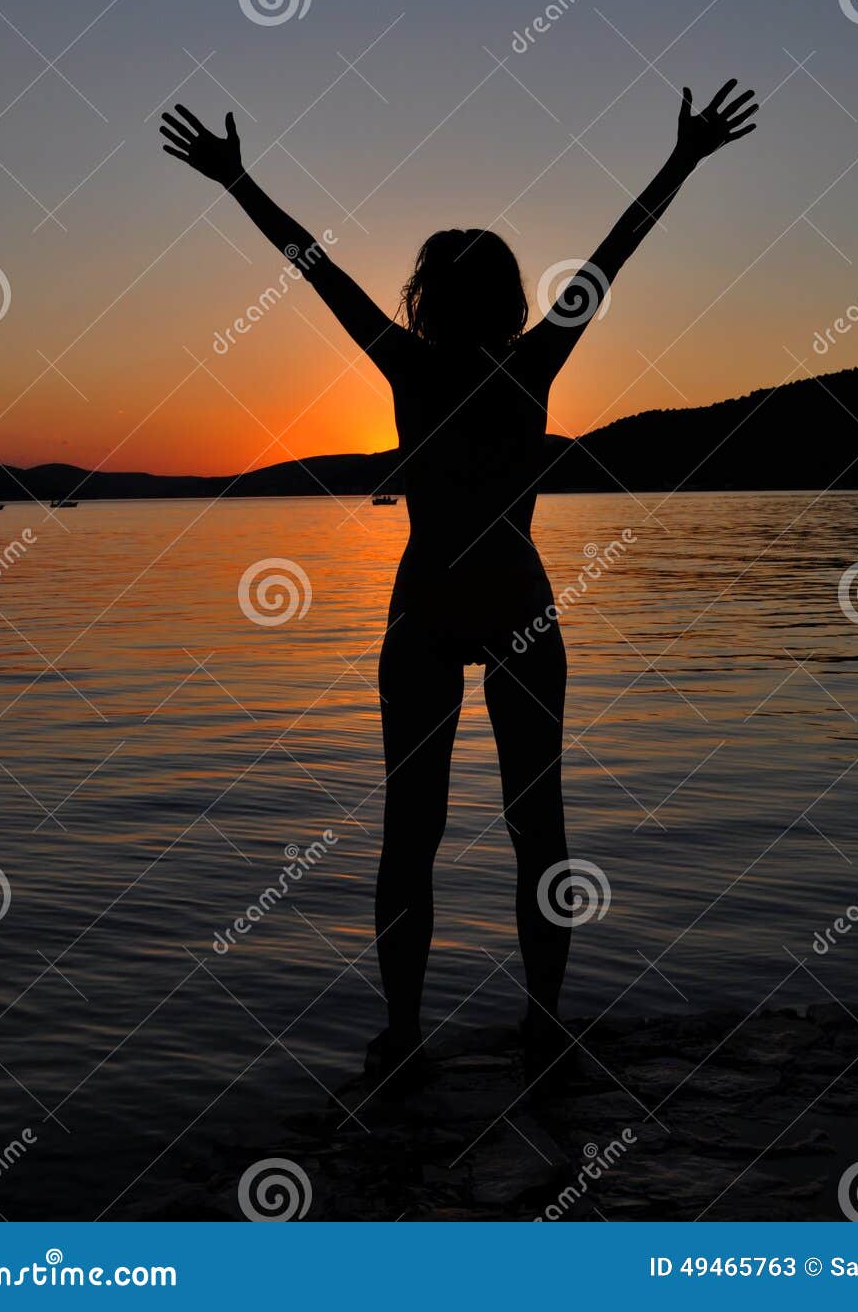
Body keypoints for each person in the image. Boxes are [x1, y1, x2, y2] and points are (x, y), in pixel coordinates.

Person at [159, 79, 757, 1087]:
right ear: (509, 298)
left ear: (428, 300)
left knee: (414, 832)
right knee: (538, 829)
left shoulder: (412, 365)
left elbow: (318, 271)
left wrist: (239, 180)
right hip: (514, 609)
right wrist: (684, 159)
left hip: (433, 609)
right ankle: (541, 1023)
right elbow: (612, 255)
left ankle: (404, 1033)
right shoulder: (532, 362)